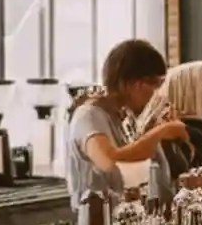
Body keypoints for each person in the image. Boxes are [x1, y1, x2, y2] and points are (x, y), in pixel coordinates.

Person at [65, 39, 190, 203]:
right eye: (156, 85)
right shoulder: (89, 116)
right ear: (134, 84)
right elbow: (111, 162)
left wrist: (153, 134)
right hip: (97, 223)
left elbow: (153, 180)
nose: (156, 94)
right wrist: (160, 133)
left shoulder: (122, 117)